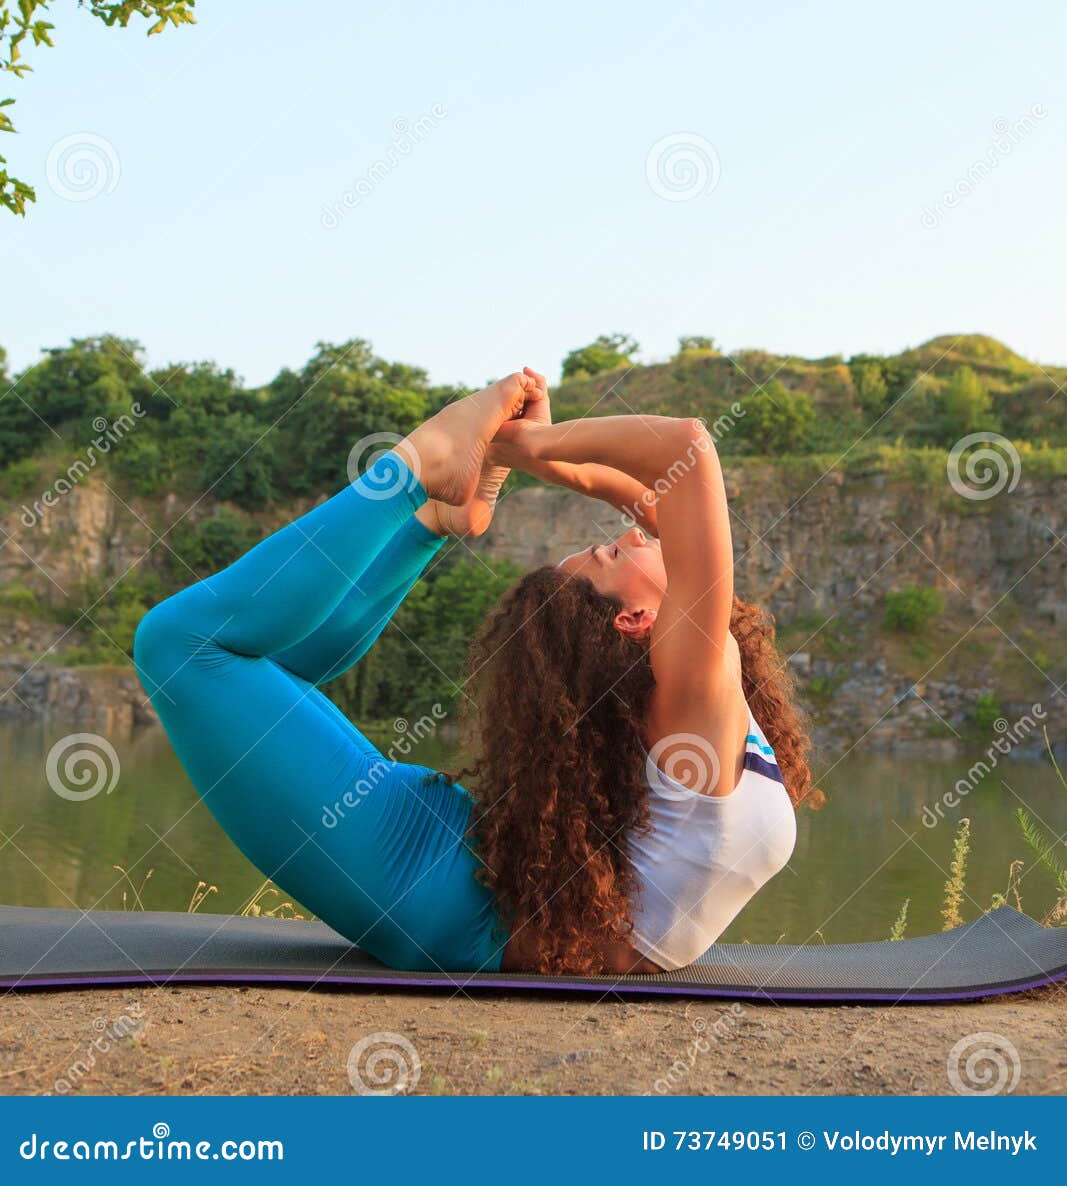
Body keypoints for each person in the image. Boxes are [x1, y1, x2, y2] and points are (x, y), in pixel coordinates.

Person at [134, 368, 817, 977]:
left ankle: (415, 469)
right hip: (454, 860)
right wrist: (553, 465)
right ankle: (434, 516)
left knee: (180, 646)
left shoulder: (691, 691)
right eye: (615, 547)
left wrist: (537, 449)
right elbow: (669, 492)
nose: (637, 531)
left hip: (435, 891)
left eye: (607, 548)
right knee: (255, 664)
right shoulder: (697, 688)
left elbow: (687, 452)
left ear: (637, 624)